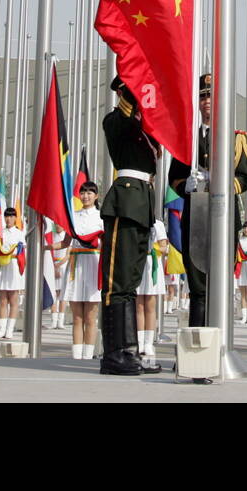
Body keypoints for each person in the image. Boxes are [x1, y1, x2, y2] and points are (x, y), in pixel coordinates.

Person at [168, 73, 247, 328]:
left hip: (223, 212)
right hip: (196, 213)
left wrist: (225, 186)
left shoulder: (236, 138)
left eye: (211, 97)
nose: (207, 102)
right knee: (197, 283)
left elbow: (245, 178)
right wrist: (188, 186)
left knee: (220, 280)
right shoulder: (187, 139)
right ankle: (197, 340)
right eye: (203, 97)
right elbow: (174, 179)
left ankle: (220, 338)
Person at [98, 77, 158, 375]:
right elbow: (122, 123)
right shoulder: (115, 120)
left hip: (143, 202)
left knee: (131, 283)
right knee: (116, 283)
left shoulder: (144, 124)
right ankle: (114, 353)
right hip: (124, 199)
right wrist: (133, 91)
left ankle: (129, 351)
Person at [56, 180, 103, 360]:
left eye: (90, 193)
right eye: (83, 193)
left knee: (91, 315)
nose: (86, 196)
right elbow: (65, 242)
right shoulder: (73, 217)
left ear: (96, 196)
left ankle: (88, 354)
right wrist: (43, 247)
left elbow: (106, 243)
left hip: (92, 262)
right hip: (76, 263)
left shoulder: (101, 218)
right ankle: (76, 355)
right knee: (77, 316)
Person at [135, 217, 169, 370]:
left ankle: (148, 343)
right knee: (138, 306)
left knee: (150, 306)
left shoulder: (158, 224)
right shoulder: (135, 219)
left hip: (151, 264)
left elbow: (164, 247)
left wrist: (152, 248)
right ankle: (139, 342)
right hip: (137, 263)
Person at [0, 207, 25, 339]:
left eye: (11, 216)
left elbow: (22, 251)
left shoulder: (19, 233)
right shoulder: (0, 233)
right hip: (3, 266)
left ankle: (10, 329)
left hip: (14, 266)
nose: (8, 219)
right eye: (6, 216)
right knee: (2, 300)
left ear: (15, 218)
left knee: (13, 300)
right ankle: (2, 329)